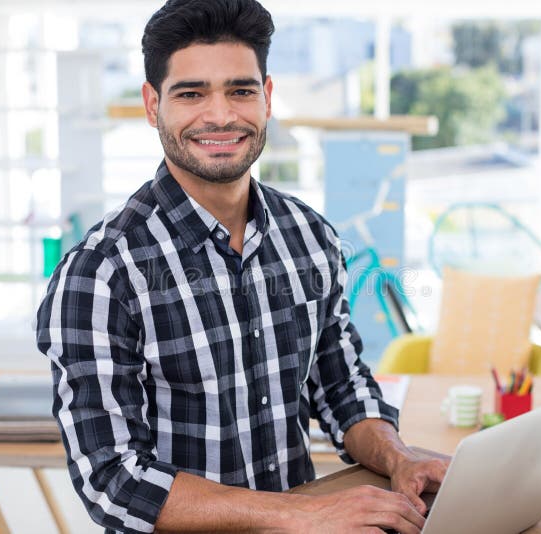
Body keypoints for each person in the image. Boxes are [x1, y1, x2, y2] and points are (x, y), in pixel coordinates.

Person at [36, 0, 446, 532]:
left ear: (267, 97)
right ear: (151, 103)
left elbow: (342, 388)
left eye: (240, 90)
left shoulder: (310, 235)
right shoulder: (101, 273)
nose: (221, 115)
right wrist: (302, 512)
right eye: (191, 93)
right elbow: (113, 481)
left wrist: (399, 457)